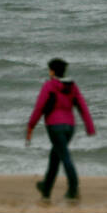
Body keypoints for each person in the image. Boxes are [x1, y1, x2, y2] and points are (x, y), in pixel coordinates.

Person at [25, 58, 95, 200]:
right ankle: (46, 189)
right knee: (55, 157)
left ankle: (74, 188)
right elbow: (82, 107)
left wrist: (31, 126)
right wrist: (89, 126)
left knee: (64, 156)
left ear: (52, 71)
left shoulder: (49, 86)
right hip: (69, 128)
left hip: (55, 127)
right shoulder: (72, 86)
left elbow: (39, 107)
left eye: (49, 69)